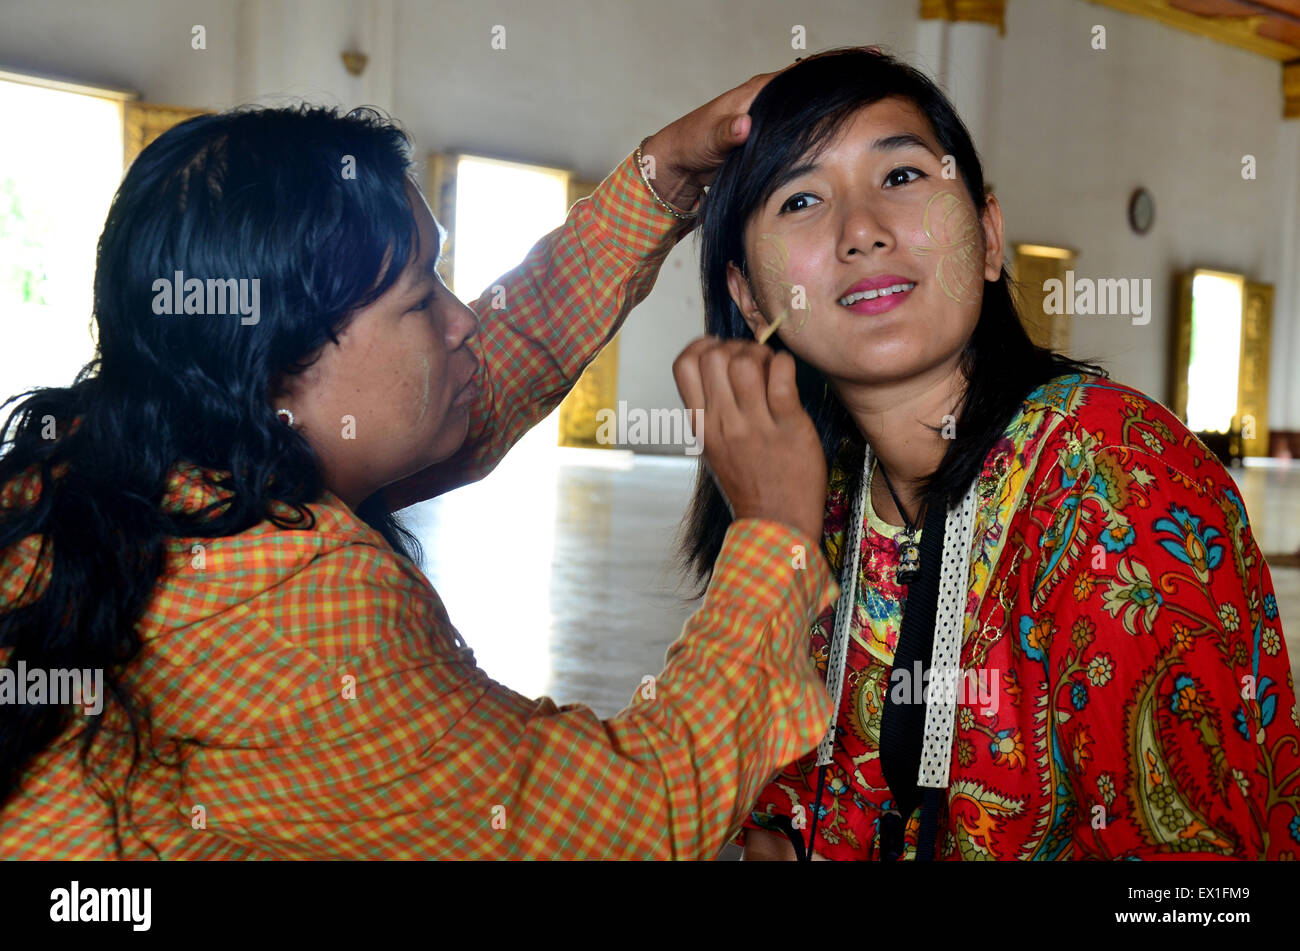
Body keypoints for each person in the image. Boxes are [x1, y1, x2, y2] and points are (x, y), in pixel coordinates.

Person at [0, 75, 838, 858]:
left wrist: (663, 176)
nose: (463, 320)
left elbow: (492, 363)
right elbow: (635, 816)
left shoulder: (133, 451)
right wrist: (771, 534)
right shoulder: (302, 621)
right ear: (278, 363)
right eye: (419, 296)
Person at [681, 47, 1300, 860]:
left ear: (988, 235)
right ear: (750, 296)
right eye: (801, 197)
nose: (861, 231)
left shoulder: (1119, 485)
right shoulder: (808, 498)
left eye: (900, 177)